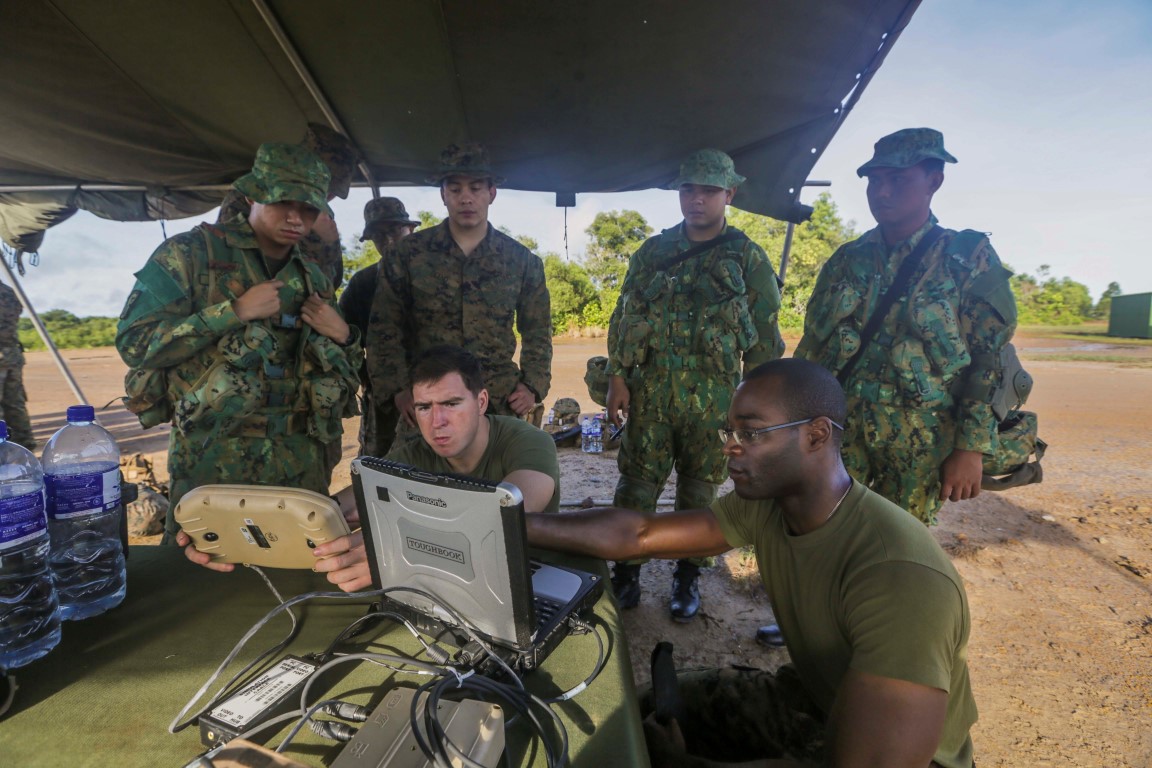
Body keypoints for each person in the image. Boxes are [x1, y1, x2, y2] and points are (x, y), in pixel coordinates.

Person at [526, 359, 978, 768]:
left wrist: (687, 766)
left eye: (752, 433)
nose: (730, 448)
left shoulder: (898, 578)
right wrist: (513, 522)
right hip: (816, 701)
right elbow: (640, 534)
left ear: (817, 435)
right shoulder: (770, 504)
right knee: (633, 717)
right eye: (729, 433)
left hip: (905, 756)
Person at [117, 143, 362, 544]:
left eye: (308, 208)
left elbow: (342, 367)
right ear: (252, 196)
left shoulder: (312, 276)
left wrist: (344, 335)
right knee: (199, 567)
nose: (295, 218)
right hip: (214, 458)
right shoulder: (190, 253)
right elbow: (135, 343)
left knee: (295, 568)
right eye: (283, 202)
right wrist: (233, 311)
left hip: (300, 462)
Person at [178, 346, 560, 592]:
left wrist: (394, 553)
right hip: (441, 589)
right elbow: (337, 510)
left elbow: (506, 520)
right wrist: (231, 532)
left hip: (526, 582)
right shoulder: (414, 453)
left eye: (451, 404)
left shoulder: (527, 442)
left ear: (481, 402)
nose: (437, 422)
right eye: (424, 408)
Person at [796, 128, 1016, 526]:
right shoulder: (848, 258)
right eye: (875, 180)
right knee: (825, 531)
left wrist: (970, 448)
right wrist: (797, 419)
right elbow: (813, 345)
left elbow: (991, 360)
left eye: (898, 179)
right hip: (840, 430)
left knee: (897, 544)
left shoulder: (967, 257)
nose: (882, 192)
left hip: (921, 441)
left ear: (934, 181)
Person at [604, 148, 784, 622]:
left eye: (709, 190)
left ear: (729, 194)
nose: (697, 199)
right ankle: (626, 572)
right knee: (636, 485)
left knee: (699, 491)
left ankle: (688, 575)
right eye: (688, 189)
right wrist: (617, 378)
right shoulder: (653, 252)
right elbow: (623, 317)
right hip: (651, 393)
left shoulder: (748, 257)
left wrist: (754, 409)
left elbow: (765, 341)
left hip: (715, 400)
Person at [366, 142, 552, 436]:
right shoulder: (408, 255)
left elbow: (538, 329)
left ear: (491, 193)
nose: (466, 198)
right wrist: (397, 390)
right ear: (443, 195)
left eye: (476, 188)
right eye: (455, 189)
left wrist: (532, 385)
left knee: (502, 466)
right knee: (418, 467)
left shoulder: (521, 261)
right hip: (428, 403)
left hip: (497, 402)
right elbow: (384, 328)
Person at [217, 123, 361, 289]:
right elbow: (228, 264)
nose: (328, 197)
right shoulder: (253, 195)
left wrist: (326, 242)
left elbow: (330, 283)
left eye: (330, 191)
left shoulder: (320, 217)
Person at [339, 197, 419, 456]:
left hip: (435, 395)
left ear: (410, 229)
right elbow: (343, 339)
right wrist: (370, 378)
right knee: (379, 468)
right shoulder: (362, 284)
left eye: (395, 230)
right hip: (384, 404)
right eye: (378, 235)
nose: (389, 240)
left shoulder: (437, 278)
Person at [0, 280, 35, 449]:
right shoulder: (9, 291)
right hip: (12, 353)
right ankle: (24, 444)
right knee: (15, 402)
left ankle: (3, 450)